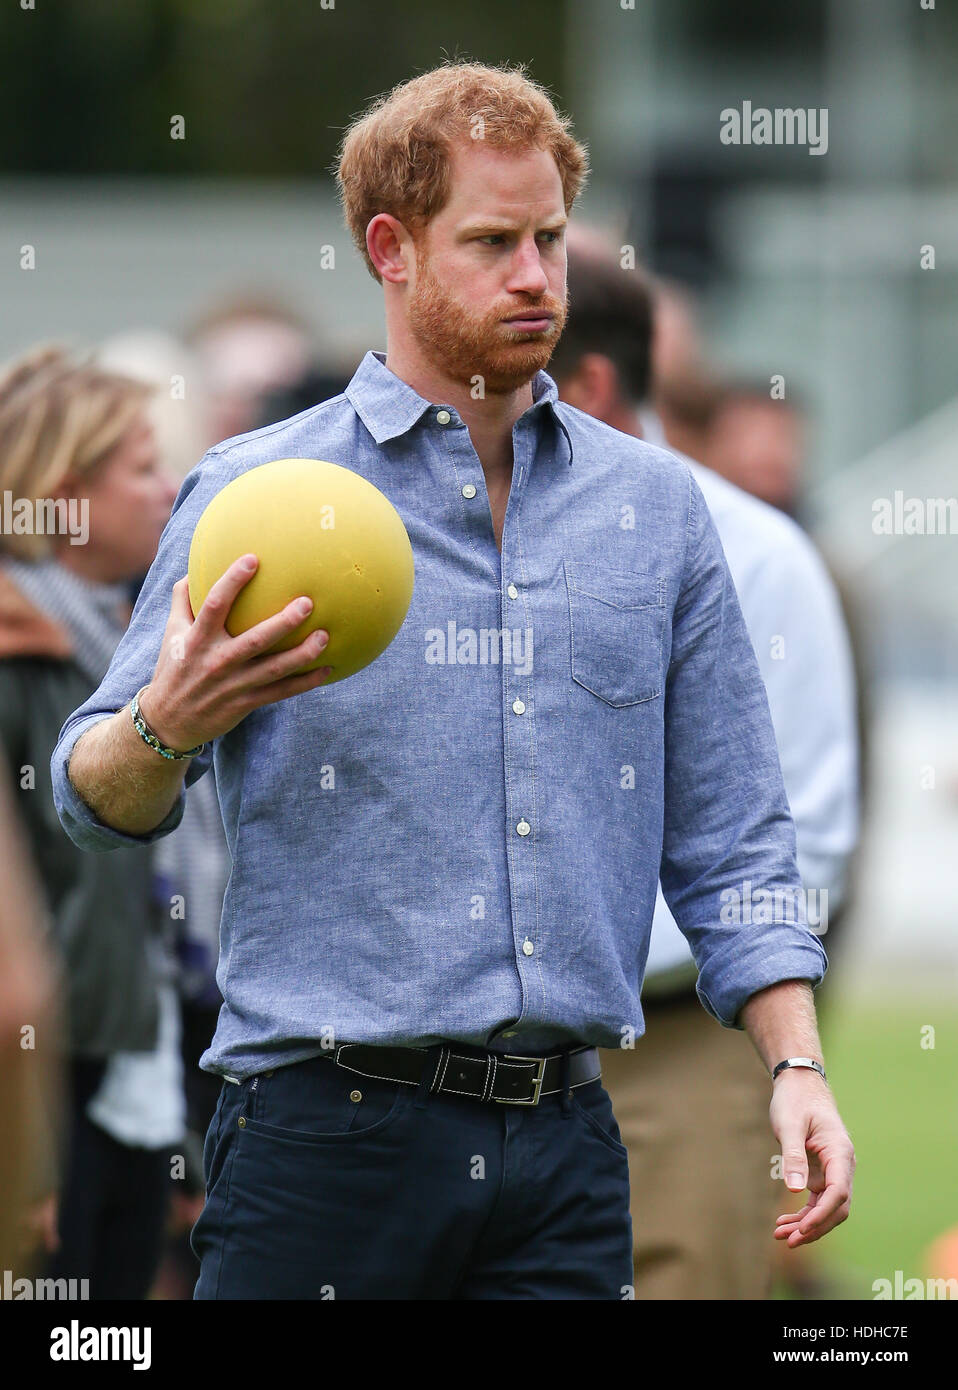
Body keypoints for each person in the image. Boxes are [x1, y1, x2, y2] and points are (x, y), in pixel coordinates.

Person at [52, 60, 854, 1301]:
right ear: (391, 248)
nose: (538, 277)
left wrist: (795, 1067)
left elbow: (736, 839)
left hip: (567, 1148)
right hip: (320, 1144)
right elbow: (91, 796)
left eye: (547, 239)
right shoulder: (255, 493)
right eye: (492, 243)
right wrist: (168, 723)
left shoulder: (655, 509)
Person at [548, 227, 859, 1298]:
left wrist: (567, 962)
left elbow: (798, 838)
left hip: (673, 1052)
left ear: (583, 383)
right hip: (469, 1076)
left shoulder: (756, 552)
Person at [0, 344, 184, 1298]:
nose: (171, 490)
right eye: (144, 466)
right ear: (66, 494)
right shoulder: (17, 650)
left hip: (125, 1062)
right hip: (43, 1079)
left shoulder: (117, 641)